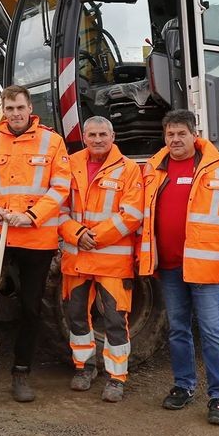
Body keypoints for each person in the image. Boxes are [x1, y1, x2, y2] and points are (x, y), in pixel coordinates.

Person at [0, 85, 70, 403]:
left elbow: (61, 187)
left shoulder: (52, 141)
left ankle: (21, 372)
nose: (15, 114)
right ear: (3, 111)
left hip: (36, 234)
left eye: (20, 108)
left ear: (30, 107)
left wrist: (32, 215)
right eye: (9, 109)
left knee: (31, 307)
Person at [139, 109, 219, 426]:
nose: (175, 139)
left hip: (207, 269)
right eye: (170, 134)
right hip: (170, 267)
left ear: (194, 135)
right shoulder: (153, 168)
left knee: (213, 332)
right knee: (178, 330)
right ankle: (183, 386)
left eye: (181, 134)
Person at [57, 116, 143, 403]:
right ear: (83, 136)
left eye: (102, 134)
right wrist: (76, 233)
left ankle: (116, 379)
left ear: (113, 135)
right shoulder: (69, 164)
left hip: (110, 262)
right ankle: (84, 369)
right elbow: (57, 208)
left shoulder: (129, 169)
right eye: (92, 134)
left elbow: (131, 214)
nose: (97, 139)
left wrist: (93, 236)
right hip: (77, 259)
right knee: (77, 318)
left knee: (115, 321)